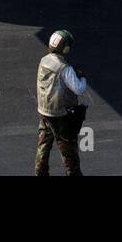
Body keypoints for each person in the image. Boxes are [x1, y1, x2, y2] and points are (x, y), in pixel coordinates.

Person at [34, 28, 87, 176]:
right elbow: (79, 89)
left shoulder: (44, 60)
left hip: (44, 111)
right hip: (60, 116)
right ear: (65, 48)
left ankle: (40, 173)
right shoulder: (65, 68)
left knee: (43, 147)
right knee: (69, 151)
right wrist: (82, 77)